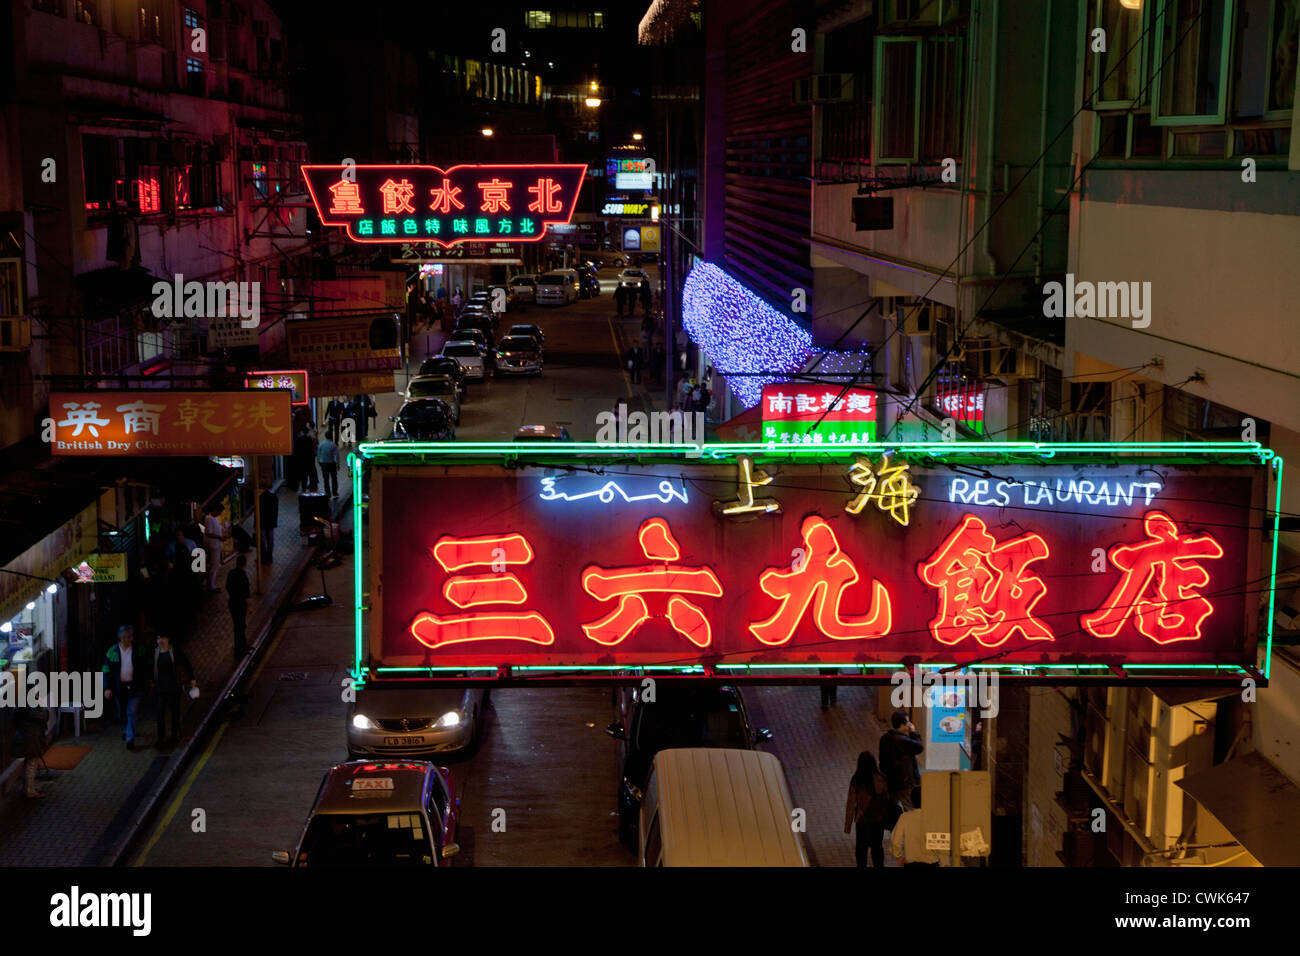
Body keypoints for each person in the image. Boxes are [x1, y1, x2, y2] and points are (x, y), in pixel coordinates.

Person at [103, 624, 149, 750]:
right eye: (124, 637)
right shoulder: (112, 652)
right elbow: (106, 670)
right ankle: (127, 729)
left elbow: (146, 666)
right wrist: (107, 688)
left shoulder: (139, 650)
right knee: (122, 713)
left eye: (129, 637)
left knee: (132, 711)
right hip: (119, 688)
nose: (127, 640)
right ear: (120, 638)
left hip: (135, 687)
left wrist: (148, 681)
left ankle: (130, 739)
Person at [844, 752, 889, 867]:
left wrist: (848, 825)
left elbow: (851, 804)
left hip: (862, 820)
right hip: (878, 820)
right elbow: (887, 800)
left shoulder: (857, 780)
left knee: (861, 848)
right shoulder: (881, 778)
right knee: (877, 846)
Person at [151, 634, 195, 749]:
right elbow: (150, 668)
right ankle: (161, 738)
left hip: (174, 687)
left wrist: (191, 678)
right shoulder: (155, 652)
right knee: (160, 713)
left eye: (162, 638)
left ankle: (174, 736)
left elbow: (186, 663)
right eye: (158, 638)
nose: (160, 640)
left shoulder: (174, 651)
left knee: (174, 711)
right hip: (160, 687)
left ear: (168, 639)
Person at [879, 710, 925, 808]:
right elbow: (919, 747)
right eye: (908, 722)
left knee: (895, 808)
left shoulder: (885, 738)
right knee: (908, 809)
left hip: (891, 782)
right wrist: (914, 733)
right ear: (902, 725)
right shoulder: (902, 740)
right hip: (904, 783)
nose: (910, 725)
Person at [15, 703, 48, 798]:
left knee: (29, 762)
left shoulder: (20, 705)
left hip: (26, 735)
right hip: (31, 736)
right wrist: (44, 711)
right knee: (32, 762)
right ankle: (30, 790)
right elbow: (42, 716)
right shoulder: (30, 707)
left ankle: (28, 787)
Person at [226, 555, 251, 659]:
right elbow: (246, 593)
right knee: (240, 626)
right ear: (244, 564)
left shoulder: (231, 573)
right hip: (240, 604)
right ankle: (240, 650)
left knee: (238, 625)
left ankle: (243, 646)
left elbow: (227, 587)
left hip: (232, 602)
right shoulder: (243, 575)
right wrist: (249, 607)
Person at [202, 505, 225, 592]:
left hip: (215, 545)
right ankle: (211, 585)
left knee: (212, 565)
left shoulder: (214, 519)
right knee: (214, 565)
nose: (220, 513)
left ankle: (209, 583)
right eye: (220, 511)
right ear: (215, 510)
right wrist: (219, 537)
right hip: (213, 545)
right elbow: (208, 532)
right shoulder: (209, 519)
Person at [293, 424, 317, 492]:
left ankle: (303, 488)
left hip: (301, 459)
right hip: (309, 459)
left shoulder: (298, 439)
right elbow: (311, 449)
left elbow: (296, 449)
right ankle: (311, 487)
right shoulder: (309, 439)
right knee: (310, 473)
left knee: (303, 475)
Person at [317, 430, 339, 498]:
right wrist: (338, 464)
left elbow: (318, 455)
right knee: (334, 478)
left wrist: (319, 462)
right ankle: (334, 493)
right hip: (332, 463)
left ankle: (327, 493)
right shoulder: (333, 445)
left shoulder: (321, 444)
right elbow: (336, 456)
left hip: (324, 463)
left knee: (326, 479)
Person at [259, 486, 278, 564]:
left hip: (262, 523)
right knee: (270, 541)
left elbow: (257, 512)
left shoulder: (260, 498)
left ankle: (264, 558)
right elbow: (276, 511)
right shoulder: (274, 497)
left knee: (263, 541)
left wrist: (255, 524)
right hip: (270, 523)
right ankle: (269, 557)